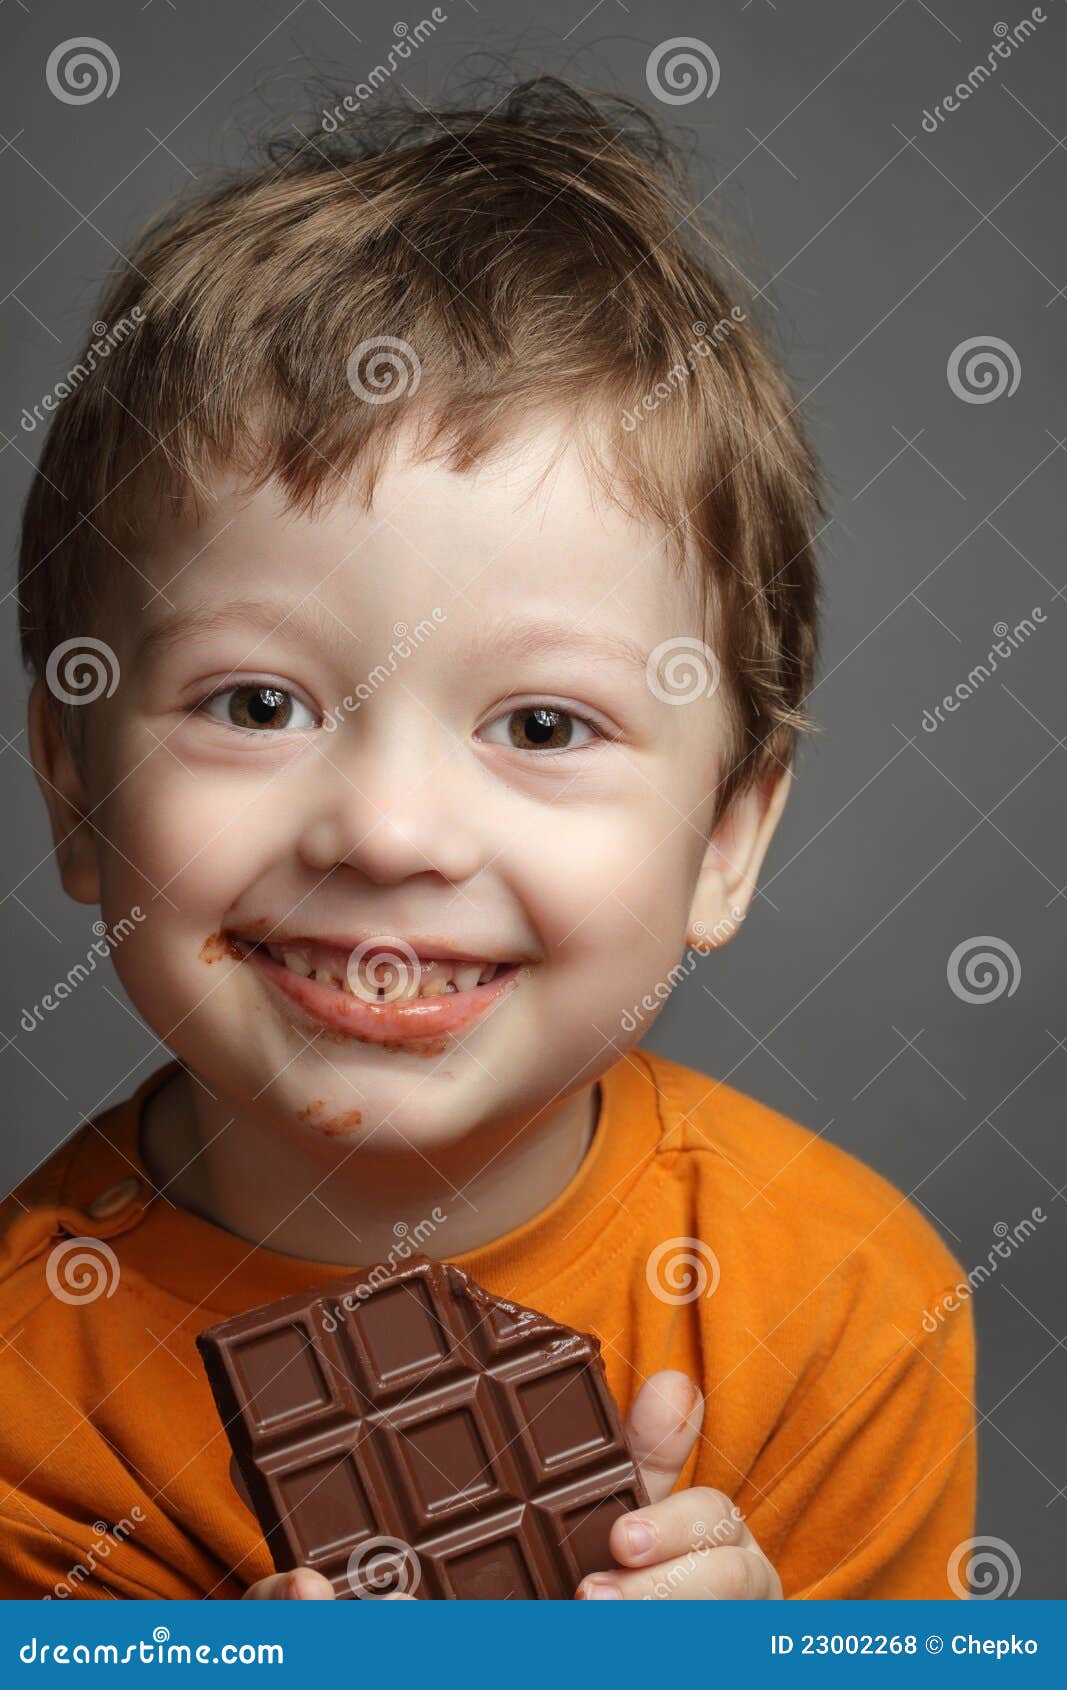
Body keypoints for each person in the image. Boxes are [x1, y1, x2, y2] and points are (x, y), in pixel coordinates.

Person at [1, 78, 974, 1600]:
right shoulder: (20, 1396)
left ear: (727, 836)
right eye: (257, 701)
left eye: (541, 727)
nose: (389, 830)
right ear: (74, 788)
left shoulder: (849, 1302)